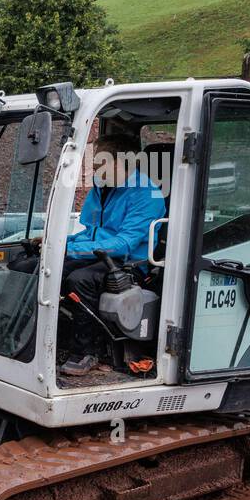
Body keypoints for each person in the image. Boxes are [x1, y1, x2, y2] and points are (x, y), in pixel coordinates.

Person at [57, 130, 166, 377]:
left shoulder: (146, 195)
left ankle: (87, 351)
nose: (94, 170)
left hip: (129, 263)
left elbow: (124, 243)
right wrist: (59, 243)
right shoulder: (103, 187)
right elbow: (92, 232)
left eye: (99, 164)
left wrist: (70, 249)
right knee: (40, 267)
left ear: (122, 163)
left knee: (79, 280)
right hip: (98, 254)